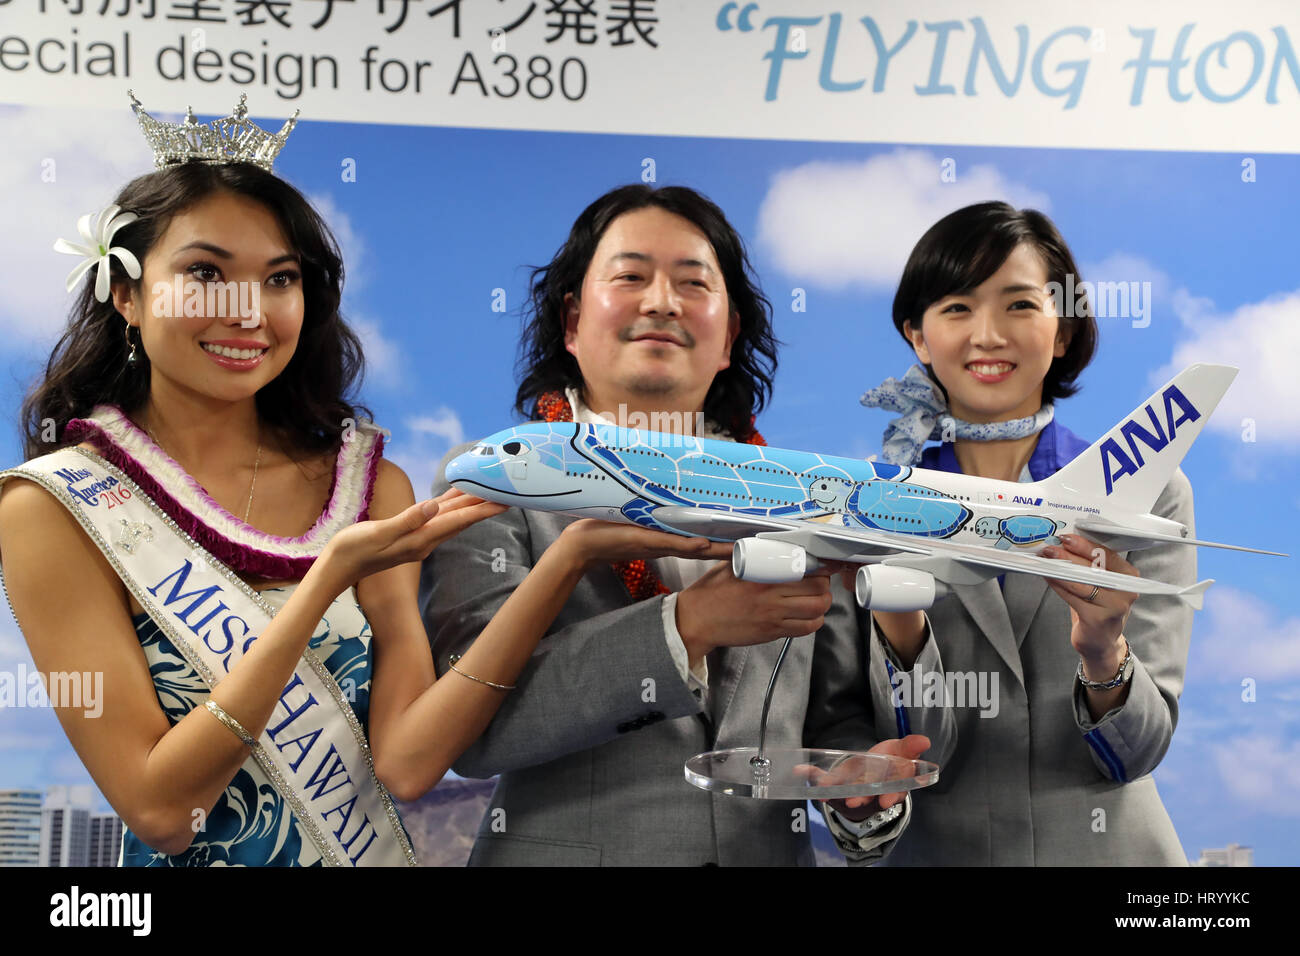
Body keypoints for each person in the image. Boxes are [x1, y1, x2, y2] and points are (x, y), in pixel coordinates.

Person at [0, 97, 718, 867]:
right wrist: (326, 580)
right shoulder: (57, 504)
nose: (248, 310)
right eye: (205, 272)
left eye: (280, 279)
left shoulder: (369, 487)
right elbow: (162, 810)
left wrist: (566, 558)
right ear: (128, 294)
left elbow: (408, 765)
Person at [420, 183, 928, 866]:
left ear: (729, 337)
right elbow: (470, 728)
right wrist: (685, 625)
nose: (661, 301)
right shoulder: (491, 478)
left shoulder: (802, 494)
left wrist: (857, 783)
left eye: (693, 283)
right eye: (630, 277)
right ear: (571, 321)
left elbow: (835, 716)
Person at [855, 200, 1193, 865]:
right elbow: (882, 745)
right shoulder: (867, 503)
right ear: (916, 337)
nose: (987, 335)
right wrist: (904, 647)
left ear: (1062, 332)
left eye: (1018, 305)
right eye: (956, 307)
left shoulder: (1145, 490)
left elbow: (1140, 750)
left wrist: (1105, 653)